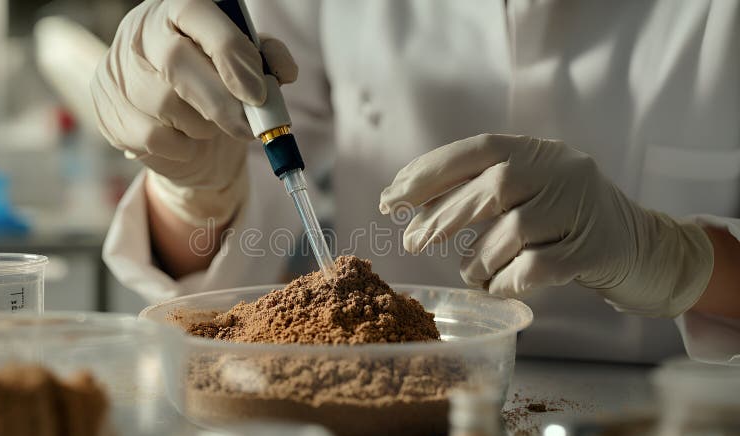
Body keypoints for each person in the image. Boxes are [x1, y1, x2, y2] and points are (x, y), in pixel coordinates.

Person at [91, 0, 740, 364]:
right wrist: (197, 191)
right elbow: (211, 274)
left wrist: (682, 260)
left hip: (680, 419)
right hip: (387, 406)